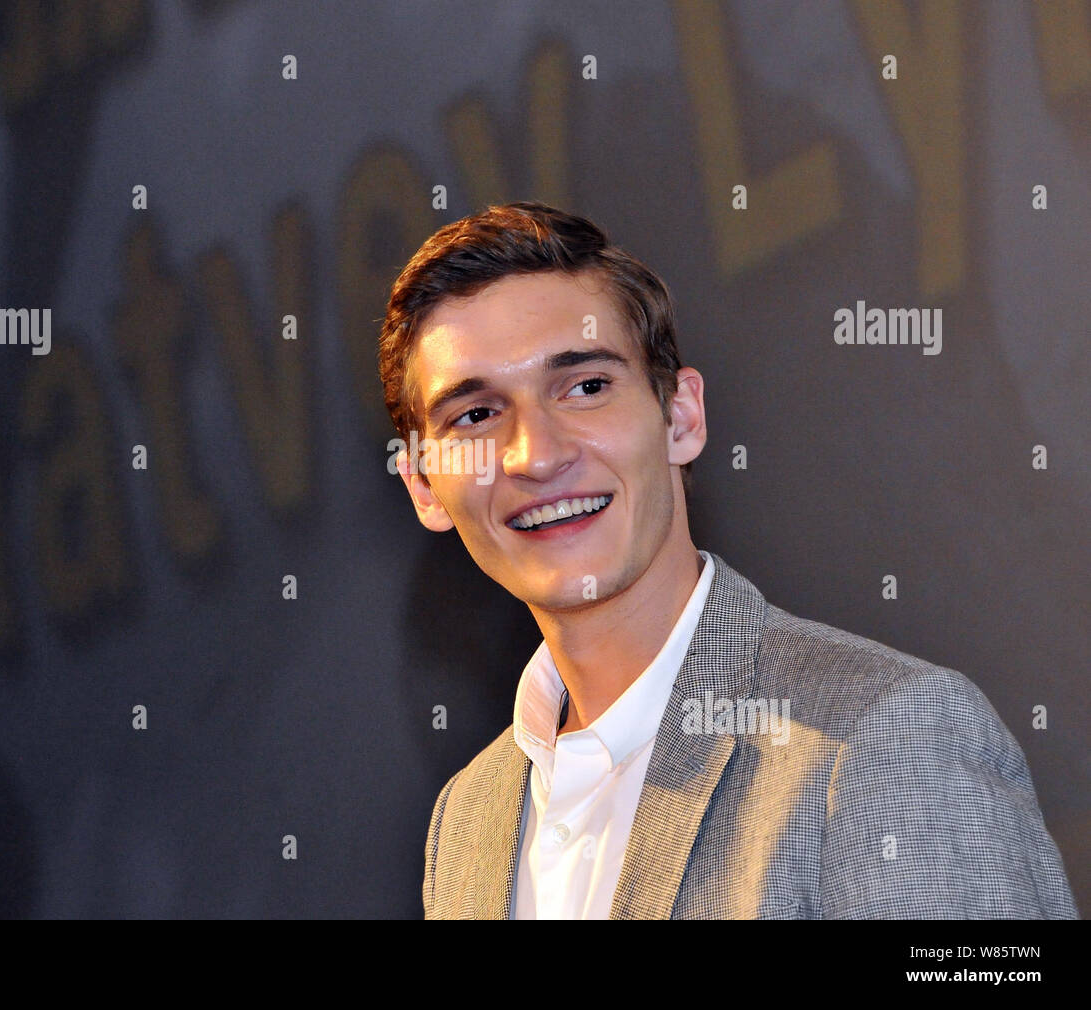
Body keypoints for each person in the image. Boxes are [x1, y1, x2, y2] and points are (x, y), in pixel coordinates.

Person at [377, 201, 1079, 919]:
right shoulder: (468, 818)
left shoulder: (886, 739)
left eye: (586, 387)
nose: (539, 454)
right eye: (476, 415)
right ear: (426, 487)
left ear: (680, 417)